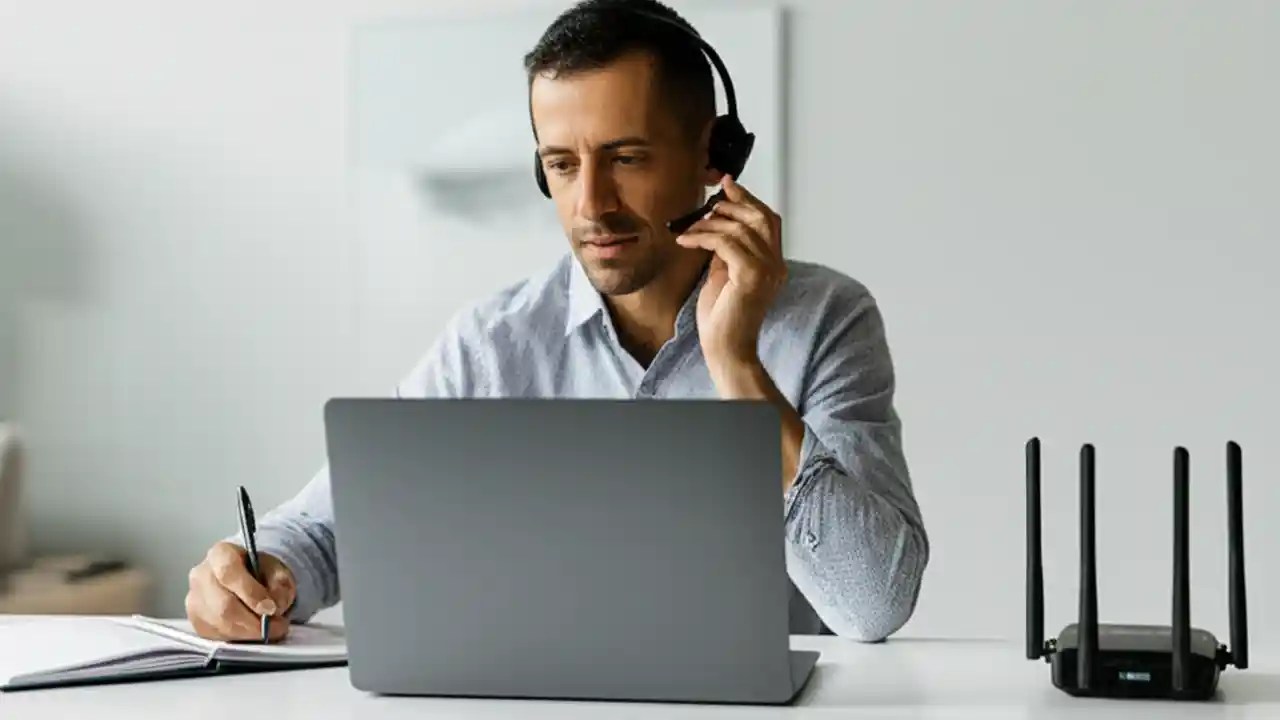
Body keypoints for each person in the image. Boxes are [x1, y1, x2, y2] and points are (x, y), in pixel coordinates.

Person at [185, 0, 929, 644]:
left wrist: (738, 367)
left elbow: (874, 604)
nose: (591, 205)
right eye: (563, 165)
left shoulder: (825, 320)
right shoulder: (490, 345)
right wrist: (252, 574)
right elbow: (323, 530)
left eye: (626, 158)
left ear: (712, 154)